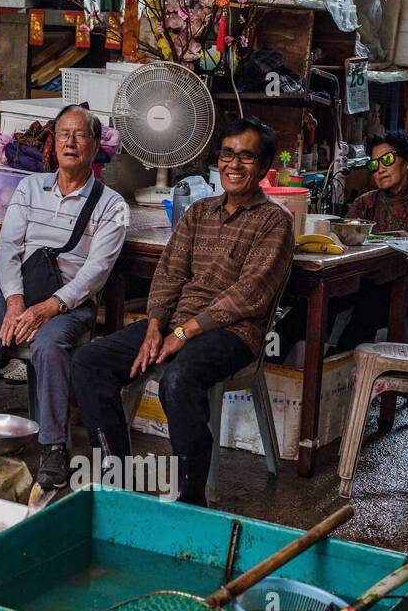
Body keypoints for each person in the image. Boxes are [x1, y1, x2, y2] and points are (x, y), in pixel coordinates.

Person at [72, 117, 294, 506]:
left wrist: (183, 332)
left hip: (232, 334)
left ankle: (191, 497)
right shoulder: (198, 212)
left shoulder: (274, 221)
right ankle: (115, 479)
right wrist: (156, 325)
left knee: (179, 379)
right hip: (176, 324)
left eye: (247, 157)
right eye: (227, 155)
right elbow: (170, 273)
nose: (234, 165)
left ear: (263, 167)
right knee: (90, 361)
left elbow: (251, 295)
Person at [0, 105, 127, 490]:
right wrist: (16, 302)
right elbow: (8, 249)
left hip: (68, 302)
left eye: (80, 134)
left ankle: (53, 447)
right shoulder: (30, 188)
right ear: (53, 142)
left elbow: (95, 272)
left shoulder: (111, 205)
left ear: (95, 144)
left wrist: (49, 308)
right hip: (19, 290)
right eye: (63, 134)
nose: (70, 142)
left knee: (49, 345)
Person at [333, 129, 408, 349]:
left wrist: (382, 240)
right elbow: (346, 238)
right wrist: (403, 237)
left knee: (366, 310)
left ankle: (341, 369)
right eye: (374, 164)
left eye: (387, 159)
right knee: (320, 303)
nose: (380, 169)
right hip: (369, 279)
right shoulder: (366, 202)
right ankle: (286, 365)